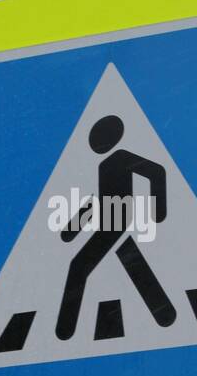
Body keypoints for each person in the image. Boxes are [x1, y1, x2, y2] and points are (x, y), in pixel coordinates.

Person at [56, 113, 176, 340]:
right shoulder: (106, 164)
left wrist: (158, 210)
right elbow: (99, 200)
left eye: (98, 138)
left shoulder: (121, 157)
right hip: (111, 222)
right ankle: (166, 314)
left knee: (79, 266)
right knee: (133, 263)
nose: (95, 144)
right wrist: (72, 228)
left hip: (117, 223)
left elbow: (156, 172)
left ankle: (64, 330)